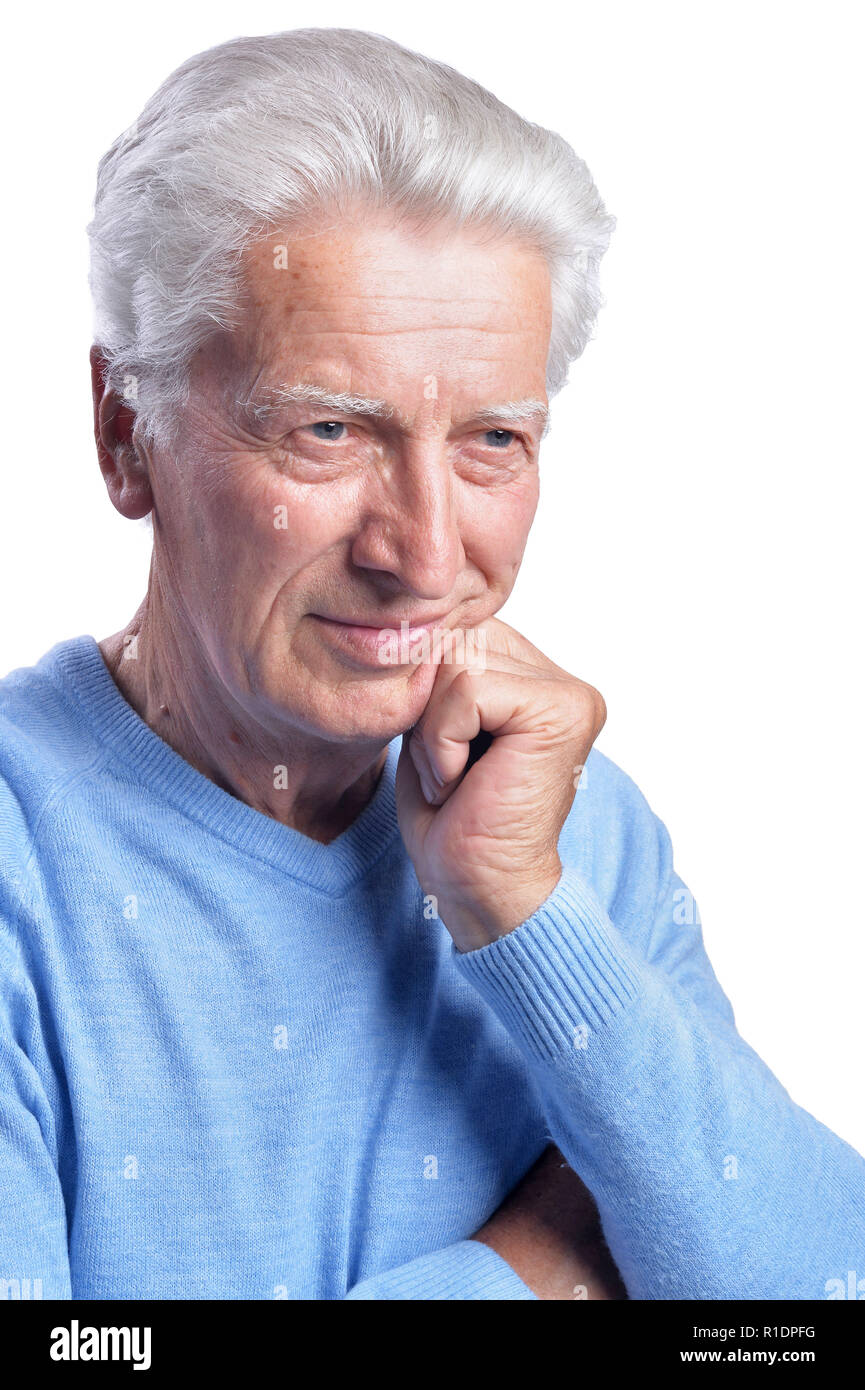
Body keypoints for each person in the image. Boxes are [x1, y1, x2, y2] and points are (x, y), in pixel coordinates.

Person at [1, 27, 862, 1302]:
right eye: (330, 429)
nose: (423, 552)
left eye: (493, 439)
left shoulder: (573, 831)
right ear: (127, 435)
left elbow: (810, 1304)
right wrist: (539, 1267)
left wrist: (520, 911)